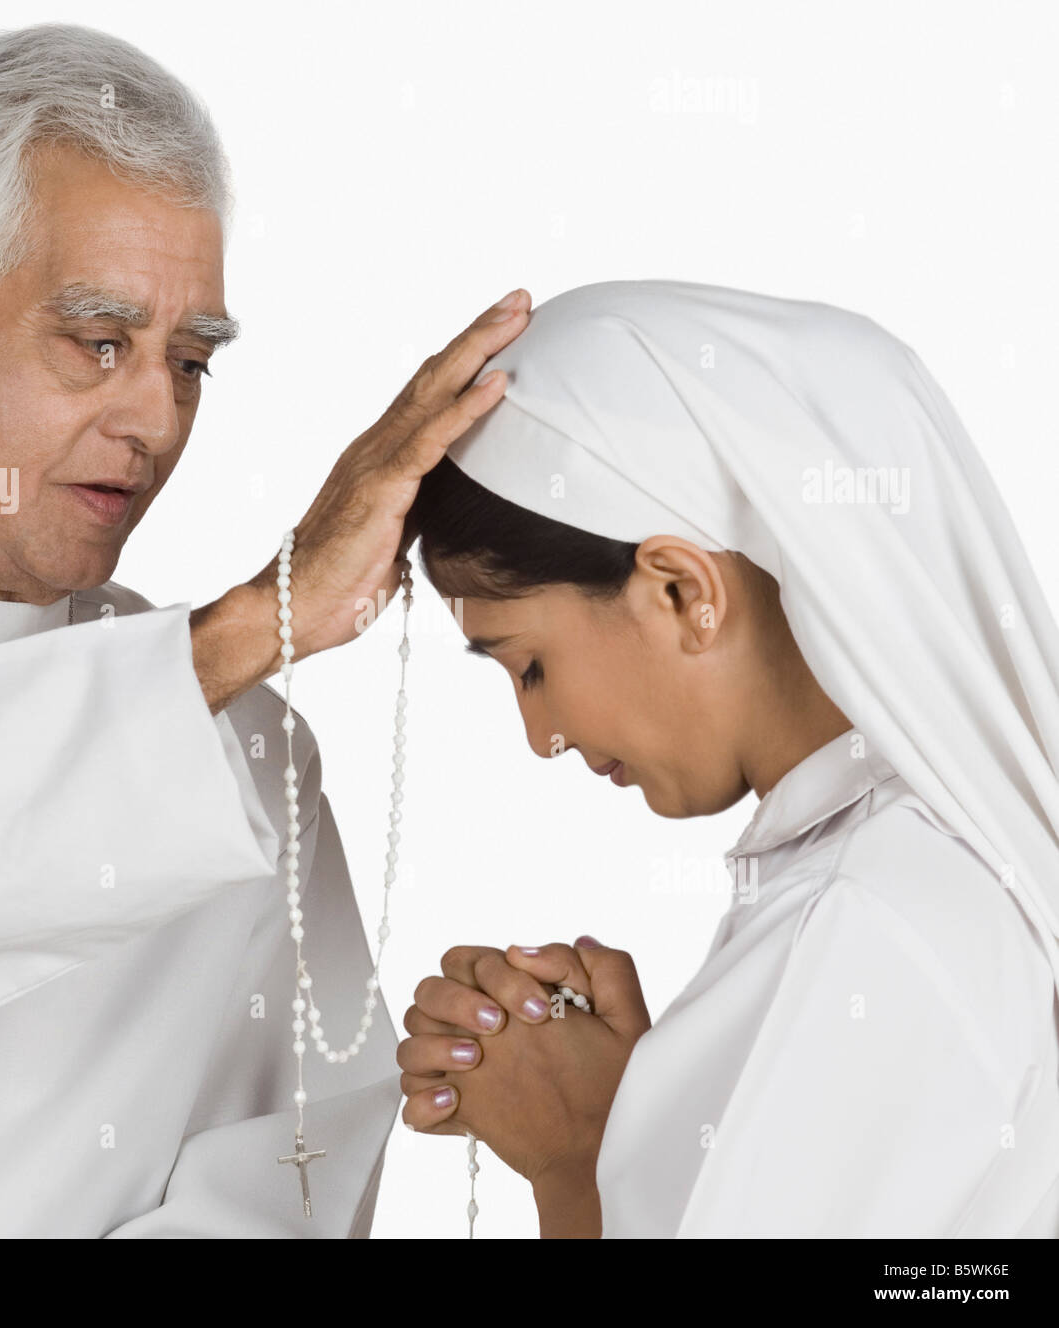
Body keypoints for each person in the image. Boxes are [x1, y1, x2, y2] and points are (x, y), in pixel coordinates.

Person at [0, 21, 532, 1237]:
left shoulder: (254, 766)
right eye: (100, 343)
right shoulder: (217, 685)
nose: (155, 420)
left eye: (188, 362)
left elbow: (282, 1182)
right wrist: (245, 631)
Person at [397, 279, 1059, 1238]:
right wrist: (640, 1125)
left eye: (530, 665)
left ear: (679, 591)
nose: (540, 737)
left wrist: (580, 1162)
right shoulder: (901, 876)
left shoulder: (863, 917)